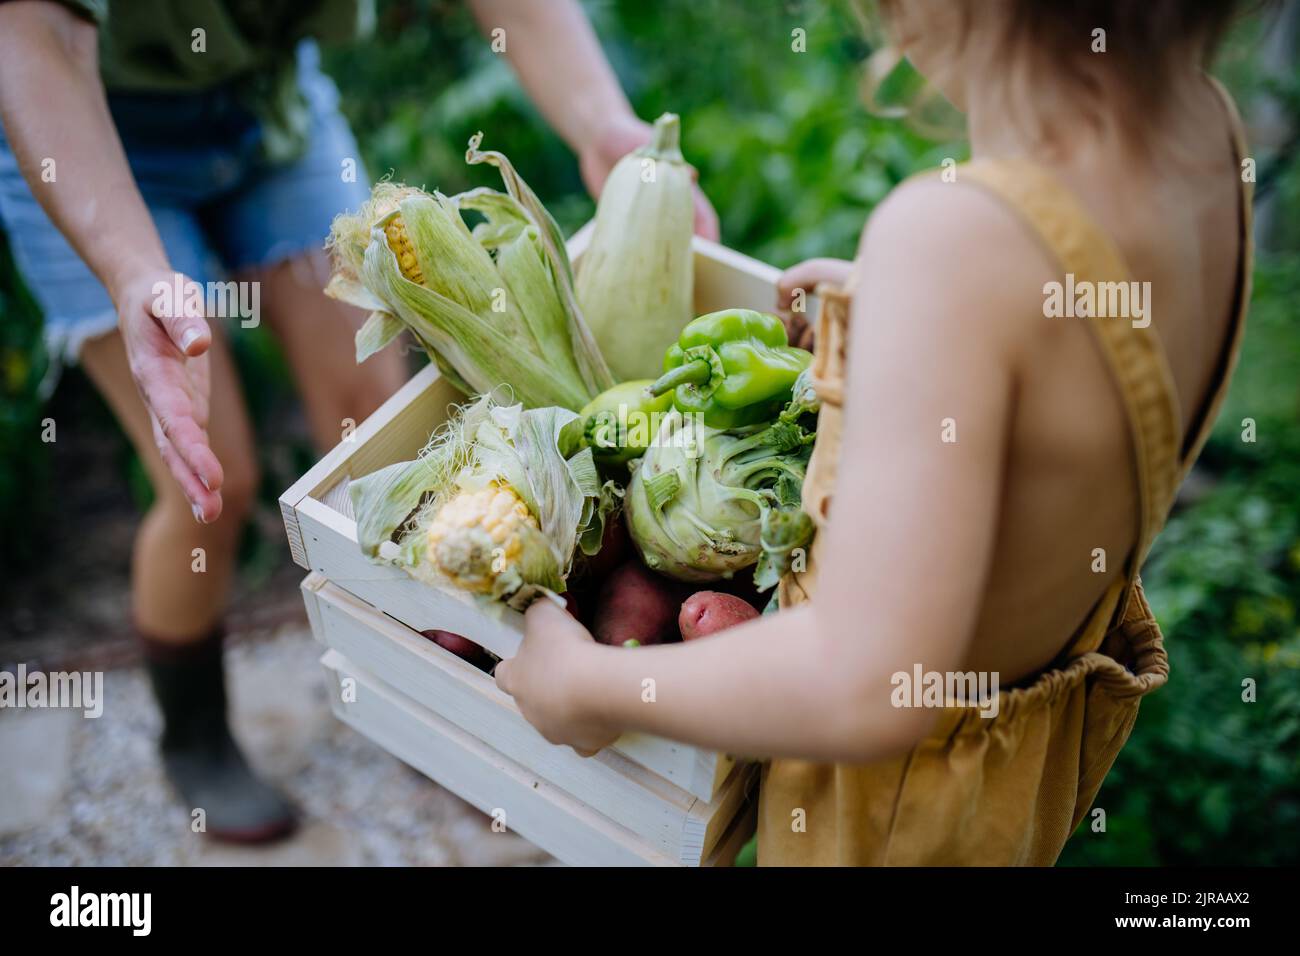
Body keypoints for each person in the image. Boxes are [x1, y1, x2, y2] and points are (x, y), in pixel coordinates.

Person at [496, 0, 1252, 865]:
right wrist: (908, 335)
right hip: (1005, 794)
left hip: (883, 821)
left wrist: (595, 686)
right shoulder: (1202, 137)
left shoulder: (953, 242)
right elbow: (1067, 390)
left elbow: (866, 684)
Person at [0, 0, 716, 843]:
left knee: (375, 432)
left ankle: (418, 695)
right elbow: (29, 30)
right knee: (208, 482)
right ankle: (192, 735)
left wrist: (599, 122)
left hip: (269, 116)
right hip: (87, 135)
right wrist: (131, 272)